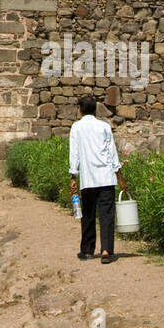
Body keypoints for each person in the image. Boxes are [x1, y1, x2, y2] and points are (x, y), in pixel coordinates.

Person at [69, 95, 127, 263]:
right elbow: (112, 153)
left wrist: (73, 176)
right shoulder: (104, 127)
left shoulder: (76, 127)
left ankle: (87, 251)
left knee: (88, 214)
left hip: (88, 179)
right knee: (106, 215)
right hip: (106, 177)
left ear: (80, 109)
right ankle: (106, 250)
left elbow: (74, 153)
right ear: (95, 109)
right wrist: (120, 177)